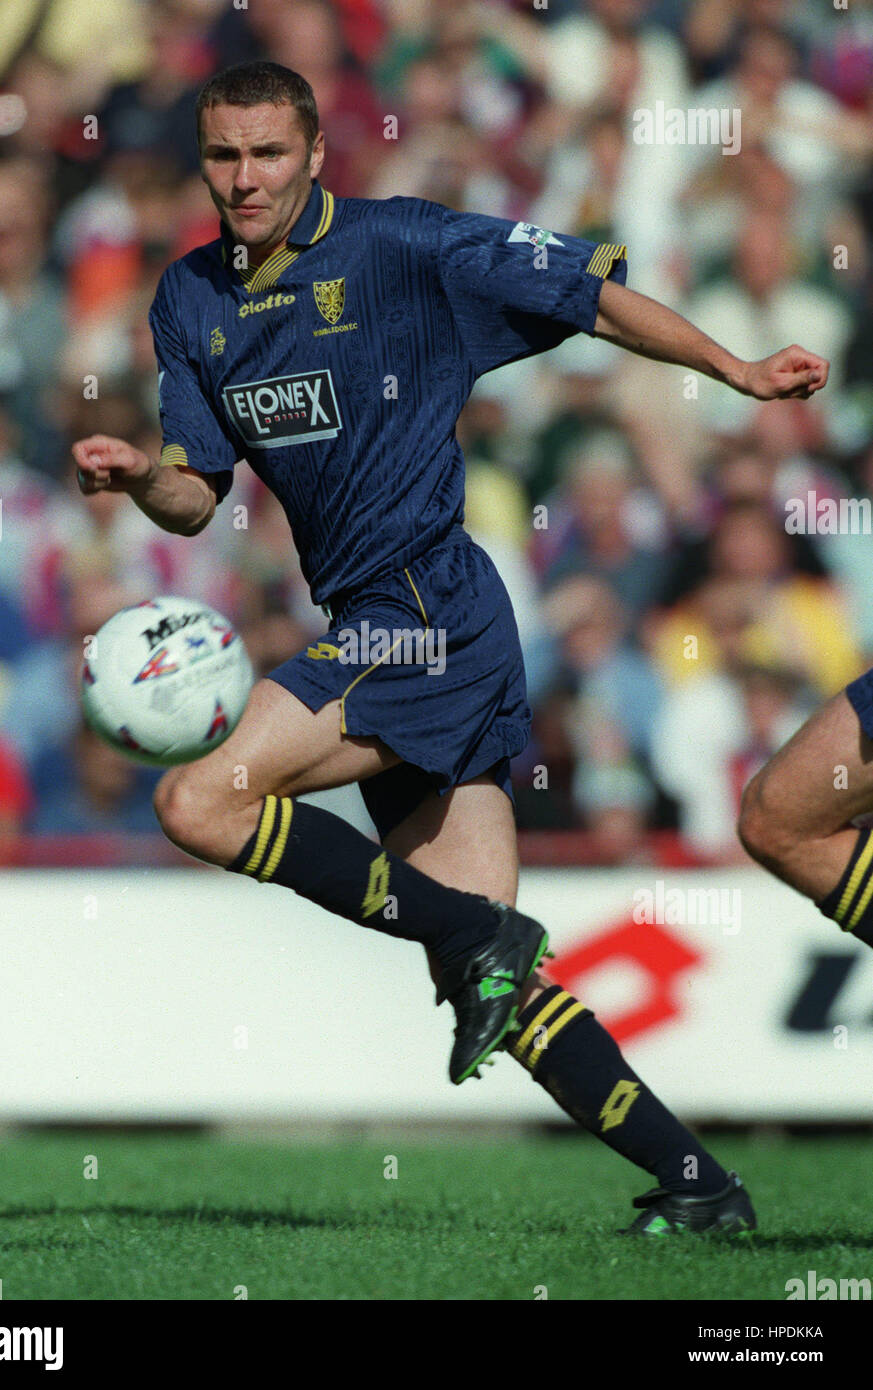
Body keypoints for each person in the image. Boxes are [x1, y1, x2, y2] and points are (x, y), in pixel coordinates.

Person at [73, 61, 829, 1234]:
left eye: (268, 153)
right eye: (223, 156)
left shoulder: (405, 250)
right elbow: (196, 497)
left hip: (428, 610)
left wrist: (728, 369)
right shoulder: (189, 300)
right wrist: (138, 480)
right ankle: (700, 1189)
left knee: (199, 804)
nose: (244, 178)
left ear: (317, 152)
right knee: (488, 982)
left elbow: (587, 290)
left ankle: (474, 931)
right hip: (378, 623)